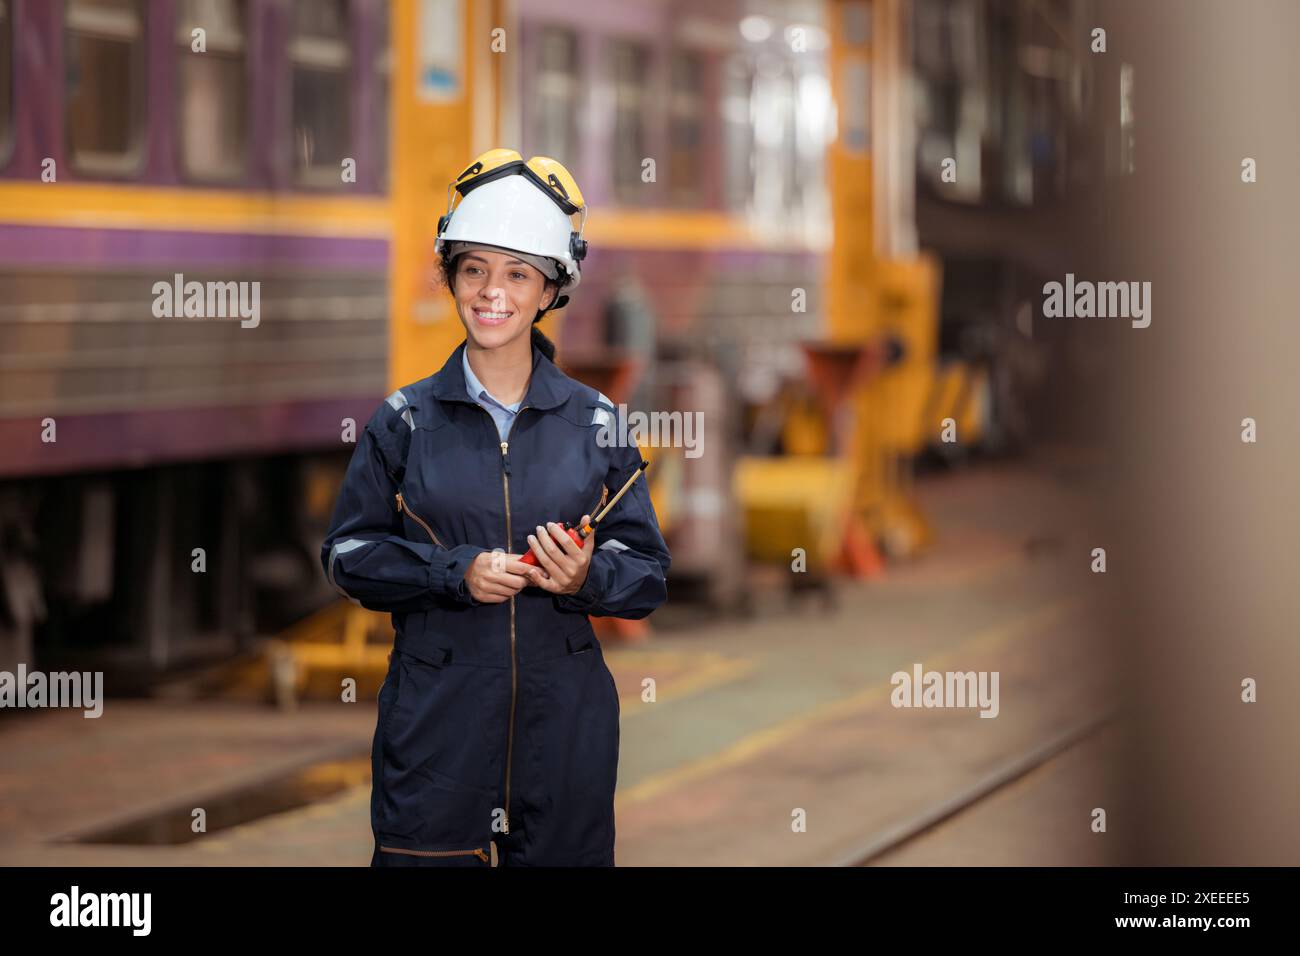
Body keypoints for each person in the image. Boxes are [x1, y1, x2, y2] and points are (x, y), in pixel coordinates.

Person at [320, 149, 671, 866]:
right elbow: (349, 555)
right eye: (474, 268)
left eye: (518, 273)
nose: (493, 292)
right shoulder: (404, 421)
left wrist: (586, 579)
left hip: (563, 742)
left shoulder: (596, 422)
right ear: (451, 276)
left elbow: (649, 573)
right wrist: (455, 572)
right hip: (437, 739)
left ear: (550, 291)